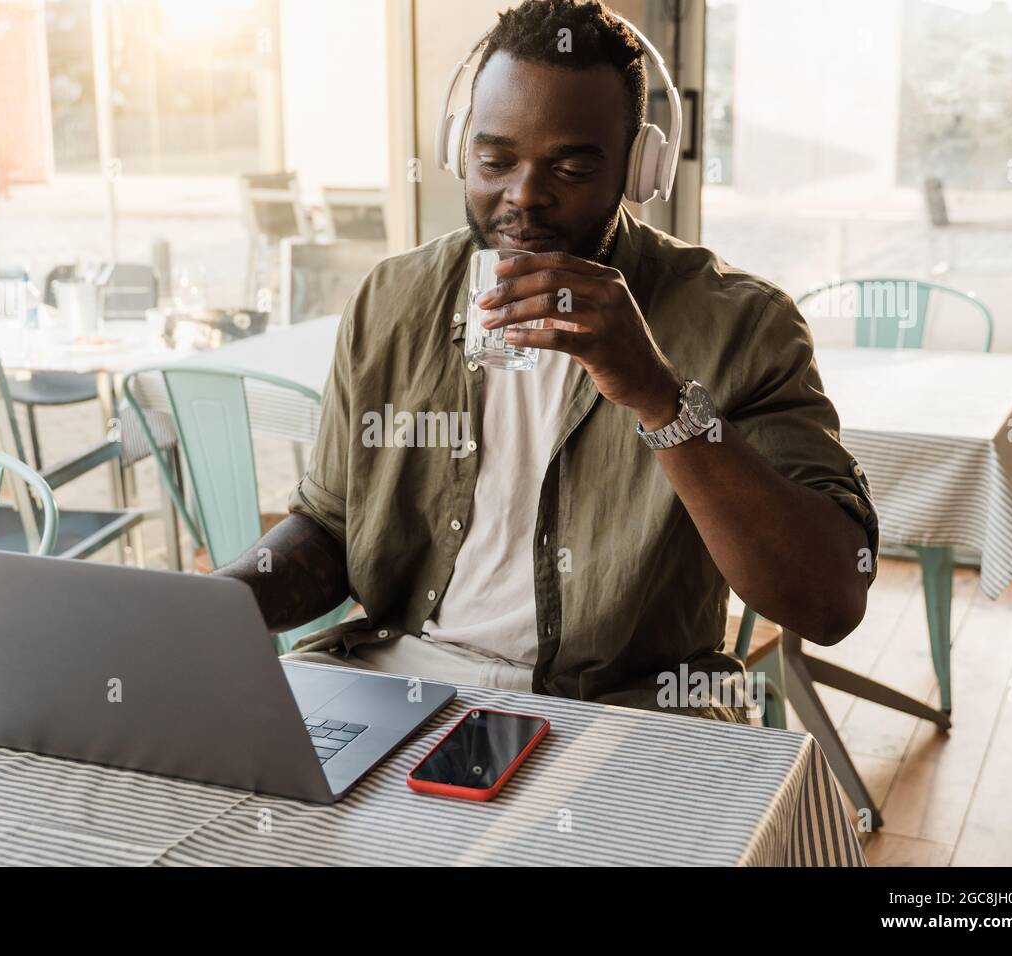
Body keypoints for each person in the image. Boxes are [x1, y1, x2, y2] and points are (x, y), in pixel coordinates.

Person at [216, 0, 878, 722]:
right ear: (458, 149)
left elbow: (829, 601)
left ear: (639, 166)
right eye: (495, 160)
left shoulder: (744, 324)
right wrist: (225, 602)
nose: (523, 197)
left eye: (568, 167)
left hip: (628, 706)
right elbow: (331, 526)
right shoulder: (392, 299)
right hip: (398, 676)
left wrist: (657, 396)